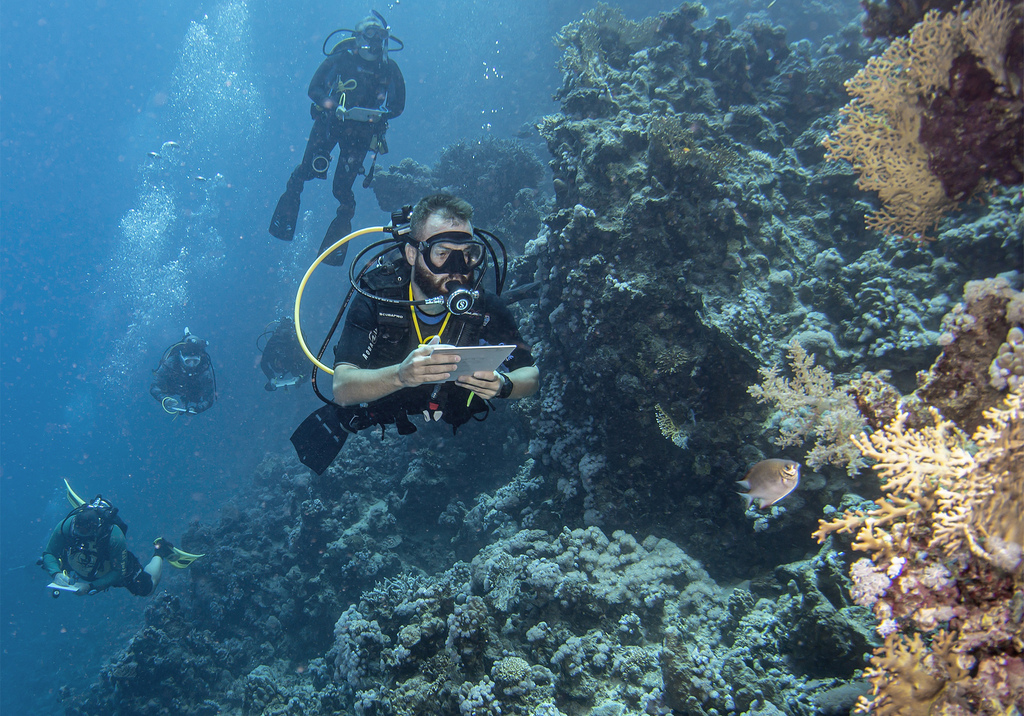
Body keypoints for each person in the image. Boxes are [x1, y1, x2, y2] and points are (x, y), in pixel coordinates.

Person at [291, 193, 540, 474]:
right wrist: (402, 375)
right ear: (413, 253)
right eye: (442, 254)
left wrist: (503, 385)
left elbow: (531, 376)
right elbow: (343, 388)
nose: (457, 271)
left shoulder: (485, 306)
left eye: (467, 255)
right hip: (387, 405)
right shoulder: (376, 297)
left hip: (454, 413)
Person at [269, 14, 406, 266]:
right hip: (330, 124)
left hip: (363, 133)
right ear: (357, 36)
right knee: (308, 170)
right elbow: (315, 89)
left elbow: (397, 106)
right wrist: (333, 107)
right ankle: (286, 215)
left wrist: (379, 116)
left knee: (342, 189)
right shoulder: (341, 59)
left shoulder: (389, 69)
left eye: (380, 36)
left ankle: (335, 242)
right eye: (369, 34)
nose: (375, 41)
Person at [41, 493, 202, 598]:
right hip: (79, 560)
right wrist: (55, 573)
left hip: (108, 564)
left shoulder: (114, 536)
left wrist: (92, 586)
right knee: (49, 561)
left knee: (146, 588)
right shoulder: (66, 526)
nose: (78, 534)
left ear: (95, 530)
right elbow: (49, 553)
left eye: (84, 533)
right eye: (77, 531)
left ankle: (161, 550)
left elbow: (119, 572)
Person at [150, 329, 217, 415]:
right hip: (173, 387)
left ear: (200, 360)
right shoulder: (170, 364)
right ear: (181, 358)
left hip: (192, 391)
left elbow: (209, 398)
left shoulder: (203, 369)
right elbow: (154, 386)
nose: (192, 366)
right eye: (188, 361)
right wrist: (164, 399)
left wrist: (197, 409)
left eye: (195, 362)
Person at [260, 316, 307, 391]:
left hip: (293, 364)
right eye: (283, 331)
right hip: (285, 363)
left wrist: (302, 377)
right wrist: (271, 377)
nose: (286, 335)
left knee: (297, 370)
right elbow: (263, 363)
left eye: (288, 332)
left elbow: (310, 362)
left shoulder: (298, 341)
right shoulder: (274, 342)